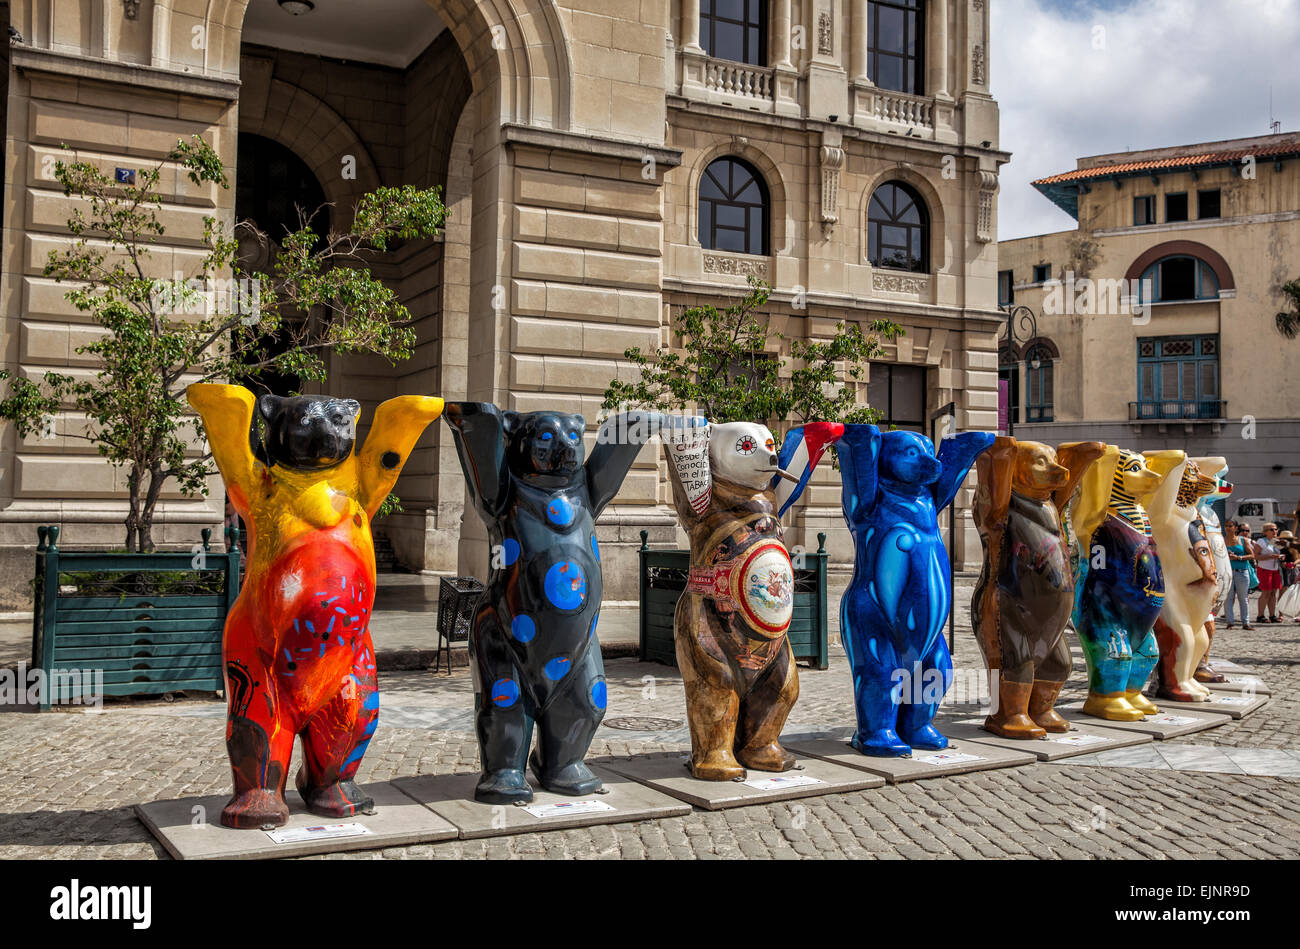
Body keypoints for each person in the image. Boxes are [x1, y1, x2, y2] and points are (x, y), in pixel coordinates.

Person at [1223, 520, 1254, 630]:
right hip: (1227, 572)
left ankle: (1246, 623)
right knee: (1228, 598)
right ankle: (1230, 622)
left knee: (1243, 598)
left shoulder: (1242, 540)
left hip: (1242, 571)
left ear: (1236, 528)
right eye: (1226, 526)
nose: (1227, 528)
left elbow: (1252, 555)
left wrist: (1238, 557)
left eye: (1230, 526)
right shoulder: (1221, 540)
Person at [1252, 522, 1284, 623]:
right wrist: (1270, 557)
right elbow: (1255, 556)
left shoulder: (1277, 541)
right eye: (1271, 529)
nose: (1274, 531)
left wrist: (1282, 557)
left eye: (1275, 529)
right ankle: (1260, 615)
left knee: (1274, 593)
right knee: (1266, 593)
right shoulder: (1261, 541)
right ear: (1265, 532)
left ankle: (1272, 615)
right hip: (1265, 569)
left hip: (1276, 569)